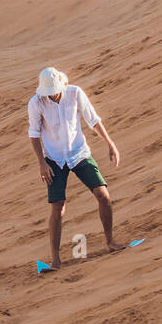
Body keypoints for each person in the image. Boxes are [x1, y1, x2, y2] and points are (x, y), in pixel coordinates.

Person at [27, 67, 124, 270]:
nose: (52, 94)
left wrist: (110, 143)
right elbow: (34, 134)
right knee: (58, 207)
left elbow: (93, 119)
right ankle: (55, 260)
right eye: (49, 91)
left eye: (54, 90)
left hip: (79, 153)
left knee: (103, 195)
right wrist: (42, 164)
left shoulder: (75, 93)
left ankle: (110, 242)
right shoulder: (36, 103)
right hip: (54, 159)